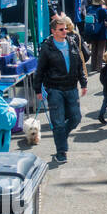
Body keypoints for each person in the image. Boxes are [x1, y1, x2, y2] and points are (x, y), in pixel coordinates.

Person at [34, 16, 88, 164]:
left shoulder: (71, 42)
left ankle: (60, 137)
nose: (65, 31)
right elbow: (40, 70)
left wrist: (83, 82)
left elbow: (78, 64)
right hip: (55, 88)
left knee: (76, 118)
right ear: (53, 31)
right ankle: (61, 151)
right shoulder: (47, 47)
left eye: (65, 28)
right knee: (58, 122)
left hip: (71, 86)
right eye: (61, 29)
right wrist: (38, 89)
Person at [85, 0, 107, 72]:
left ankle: (93, 66)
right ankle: (99, 67)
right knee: (101, 50)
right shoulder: (102, 10)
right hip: (101, 31)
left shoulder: (90, 8)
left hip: (92, 31)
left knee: (94, 49)